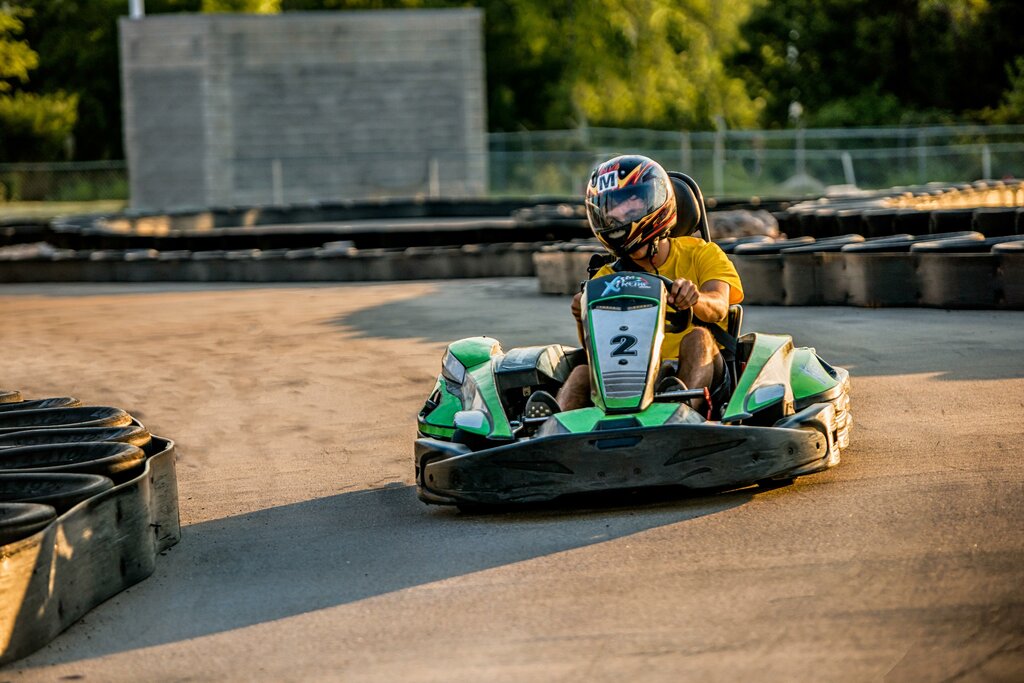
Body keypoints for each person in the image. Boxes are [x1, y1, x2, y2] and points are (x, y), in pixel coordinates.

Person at [555, 154, 744, 412]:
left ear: (655, 202)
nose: (619, 219)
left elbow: (720, 305)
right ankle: (556, 424)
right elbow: (593, 348)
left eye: (629, 207)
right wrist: (581, 316)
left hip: (702, 375)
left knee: (698, 337)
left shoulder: (701, 253)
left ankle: (681, 408)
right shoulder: (606, 276)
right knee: (580, 371)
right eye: (612, 212)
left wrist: (696, 298)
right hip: (631, 377)